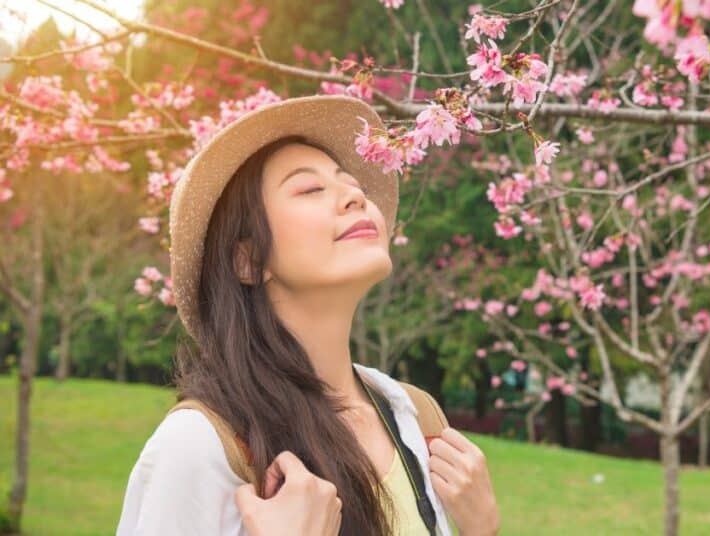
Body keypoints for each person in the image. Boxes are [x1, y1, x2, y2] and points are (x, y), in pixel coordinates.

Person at [115, 95, 500, 536]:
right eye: (310, 189)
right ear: (249, 260)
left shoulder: (413, 417)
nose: (355, 195)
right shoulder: (202, 446)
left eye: (351, 183)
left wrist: (480, 531)